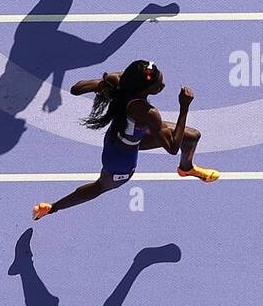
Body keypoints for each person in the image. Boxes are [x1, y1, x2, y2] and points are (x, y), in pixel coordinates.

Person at [33, 61, 220, 219]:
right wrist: (184, 107)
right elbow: (172, 147)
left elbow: (76, 89)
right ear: (144, 88)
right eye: (159, 85)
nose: (163, 86)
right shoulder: (149, 113)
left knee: (192, 136)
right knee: (100, 186)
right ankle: (52, 208)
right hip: (120, 158)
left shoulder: (119, 84)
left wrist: (106, 81)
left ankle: (186, 169)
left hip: (128, 133)